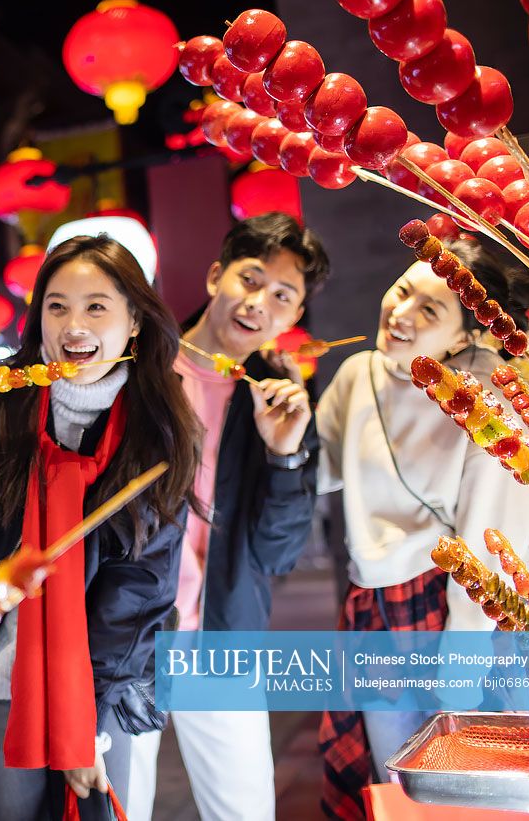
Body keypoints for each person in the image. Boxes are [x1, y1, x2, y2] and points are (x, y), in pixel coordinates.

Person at [0, 235, 199, 821]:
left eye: (96, 306)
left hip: (103, 681)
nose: (73, 325)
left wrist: (90, 724)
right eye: (56, 306)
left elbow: (139, 593)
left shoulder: (159, 431)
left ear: (135, 322)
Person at [316, 239, 529, 819]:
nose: (402, 312)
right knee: (401, 784)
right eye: (404, 290)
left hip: (453, 607)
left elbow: (493, 546)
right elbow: (317, 472)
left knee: (470, 788)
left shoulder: (488, 399)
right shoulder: (357, 374)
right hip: (373, 605)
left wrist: (461, 668)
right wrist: (282, 432)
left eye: (430, 310)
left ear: (464, 336)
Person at [129, 212, 330, 821]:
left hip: (220, 634)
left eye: (282, 296)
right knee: (116, 805)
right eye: (249, 279)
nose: (258, 303)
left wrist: (285, 453)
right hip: (128, 629)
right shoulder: (141, 367)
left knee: (243, 810)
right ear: (217, 275)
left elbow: (279, 553)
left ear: (293, 319)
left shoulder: (279, 397)